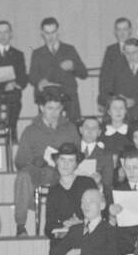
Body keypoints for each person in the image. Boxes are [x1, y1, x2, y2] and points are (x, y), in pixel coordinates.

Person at [12, 89, 79, 236]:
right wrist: (36, 161)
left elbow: (78, 154)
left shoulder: (70, 128)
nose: (54, 113)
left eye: (58, 108)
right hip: (39, 171)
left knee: (73, 177)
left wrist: (64, 160)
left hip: (63, 170)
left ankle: (68, 223)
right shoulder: (30, 130)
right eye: (50, 108)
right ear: (42, 108)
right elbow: (20, 161)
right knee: (23, 176)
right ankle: (20, 225)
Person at [28, 16, 88, 122]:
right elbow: (32, 76)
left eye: (53, 32)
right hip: (46, 97)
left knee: (73, 129)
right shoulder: (37, 53)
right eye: (47, 33)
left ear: (58, 32)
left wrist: (73, 66)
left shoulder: (70, 49)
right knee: (47, 133)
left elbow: (84, 73)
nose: (51, 36)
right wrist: (40, 81)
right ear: (42, 33)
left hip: (69, 97)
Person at [41, 143, 99, 239]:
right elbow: (48, 228)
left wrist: (81, 223)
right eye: (62, 159)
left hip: (87, 238)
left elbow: (98, 215)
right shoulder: (53, 191)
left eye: (70, 160)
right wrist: (63, 225)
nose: (65, 164)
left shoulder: (87, 183)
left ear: (76, 164)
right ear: (57, 162)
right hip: (63, 241)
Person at [106, 149, 138, 254]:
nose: (131, 172)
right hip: (123, 244)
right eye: (128, 168)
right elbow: (111, 227)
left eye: (135, 167)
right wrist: (112, 216)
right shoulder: (116, 192)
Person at [98, 16, 136, 112]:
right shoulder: (110, 50)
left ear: (130, 30)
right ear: (115, 32)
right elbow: (104, 78)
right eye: (119, 30)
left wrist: (134, 100)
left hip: (133, 101)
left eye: (125, 29)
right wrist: (104, 100)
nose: (122, 33)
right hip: (115, 100)